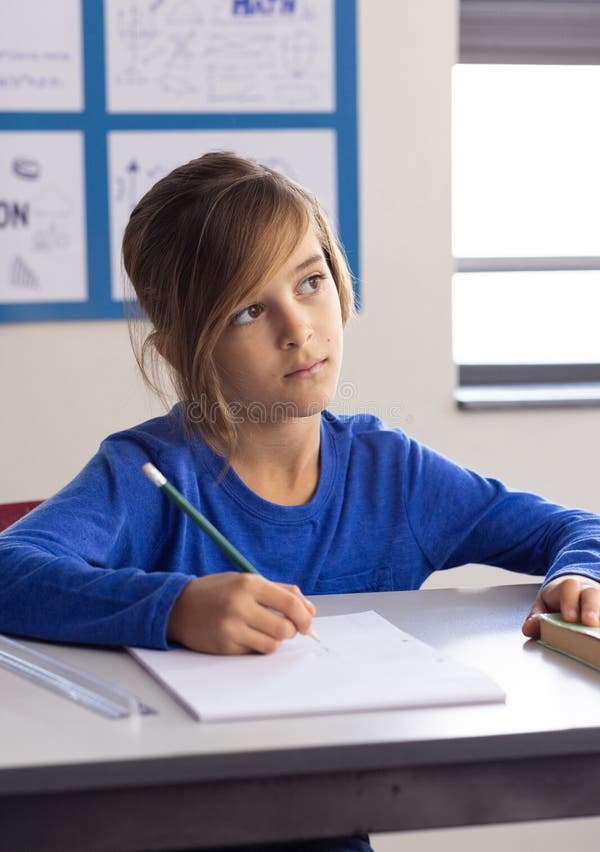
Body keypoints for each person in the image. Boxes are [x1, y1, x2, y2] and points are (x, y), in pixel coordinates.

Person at [1, 152, 600, 852]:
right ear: (178, 350)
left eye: (310, 282)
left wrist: (576, 574)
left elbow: (575, 527)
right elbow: (9, 570)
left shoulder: (392, 475)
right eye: (249, 310)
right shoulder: (147, 474)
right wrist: (176, 608)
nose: (298, 328)